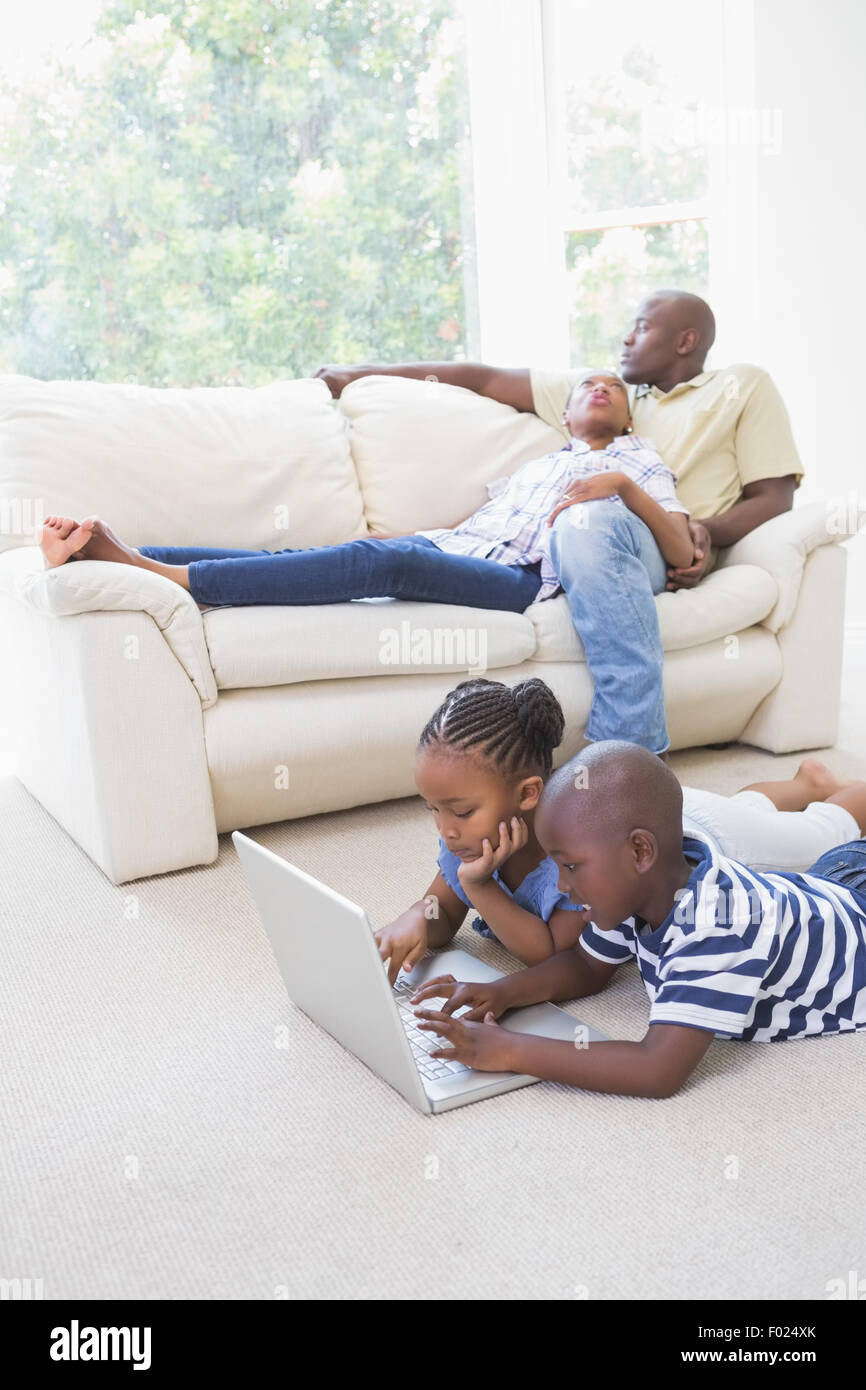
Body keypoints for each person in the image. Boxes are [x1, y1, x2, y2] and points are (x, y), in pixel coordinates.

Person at [38, 373, 690, 761]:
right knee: (320, 559)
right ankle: (141, 560)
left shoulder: (640, 460)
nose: (599, 386)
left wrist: (623, 488)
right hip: (461, 546)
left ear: (628, 414)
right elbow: (471, 530)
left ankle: (178, 580)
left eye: (611, 384)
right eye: (586, 385)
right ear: (568, 414)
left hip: (520, 580)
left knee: (381, 563)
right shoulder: (540, 464)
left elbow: (683, 548)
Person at [410, 740, 866, 1099]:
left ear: (640, 851)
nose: (564, 888)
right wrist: (500, 992)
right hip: (832, 884)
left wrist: (509, 1049)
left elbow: (657, 1069)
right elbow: (586, 968)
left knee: (832, 828)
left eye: (570, 867)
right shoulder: (633, 888)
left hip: (853, 908)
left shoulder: (715, 926)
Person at [377, 677, 866, 980]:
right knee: (741, 810)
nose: (446, 829)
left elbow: (552, 952)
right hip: (664, 815)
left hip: (696, 841)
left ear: (528, 794)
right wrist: (415, 919)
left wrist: (479, 888)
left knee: (819, 834)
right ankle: (806, 782)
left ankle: (842, 794)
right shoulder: (472, 840)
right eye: (433, 810)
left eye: (459, 812)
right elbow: (441, 909)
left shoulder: (571, 857)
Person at [315, 288, 803, 591]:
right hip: (595, 540)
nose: (626, 340)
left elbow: (775, 496)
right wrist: (359, 374)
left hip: (666, 551)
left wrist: (701, 532)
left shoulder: (740, 385)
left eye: (641, 327)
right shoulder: (607, 395)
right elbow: (482, 378)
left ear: (685, 342)